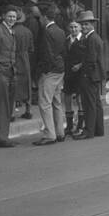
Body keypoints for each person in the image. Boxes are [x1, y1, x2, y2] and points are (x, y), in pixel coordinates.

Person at [32, 9, 68, 145]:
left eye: (41, 18)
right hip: (60, 68)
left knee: (45, 102)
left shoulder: (46, 32)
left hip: (50, 70)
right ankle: (60, 132)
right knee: (56, 101)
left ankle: (49, 134)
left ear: (45, 17)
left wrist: (43, 70)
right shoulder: (61, 31)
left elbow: (45, 53)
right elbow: (63, 51)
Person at [0, 5, 20, 147]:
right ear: (4, 16)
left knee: (9, 107)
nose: (12, 19)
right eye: (9, 16)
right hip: (2, 73)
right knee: (2, 106)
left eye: (14, 17)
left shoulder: (12, 31)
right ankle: (1, 138)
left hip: (11, 72)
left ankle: (4, 136)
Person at [76, 10, 106, 139]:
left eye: (86, 24)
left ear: (92, 24)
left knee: (89, 104)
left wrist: (85, 74)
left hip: (90, 75)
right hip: (95, 74)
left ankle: (89, 130)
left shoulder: (91, 39)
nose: (83, 27)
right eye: (82, 24)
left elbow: (91, 60)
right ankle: (98, 129)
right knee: (96, 103)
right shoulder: (93, 37)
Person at [63, 18, 85, 139]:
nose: (73, 29)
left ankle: (80, 125)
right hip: (68, 73)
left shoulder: (84, 40)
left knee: (79, 99)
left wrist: (80, 65)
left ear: (80, 28)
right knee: (67, 98)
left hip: (79, 73)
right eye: (71, 27)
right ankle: (69, 126)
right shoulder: (66, 40)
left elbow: (88, 56)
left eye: (76, 27)